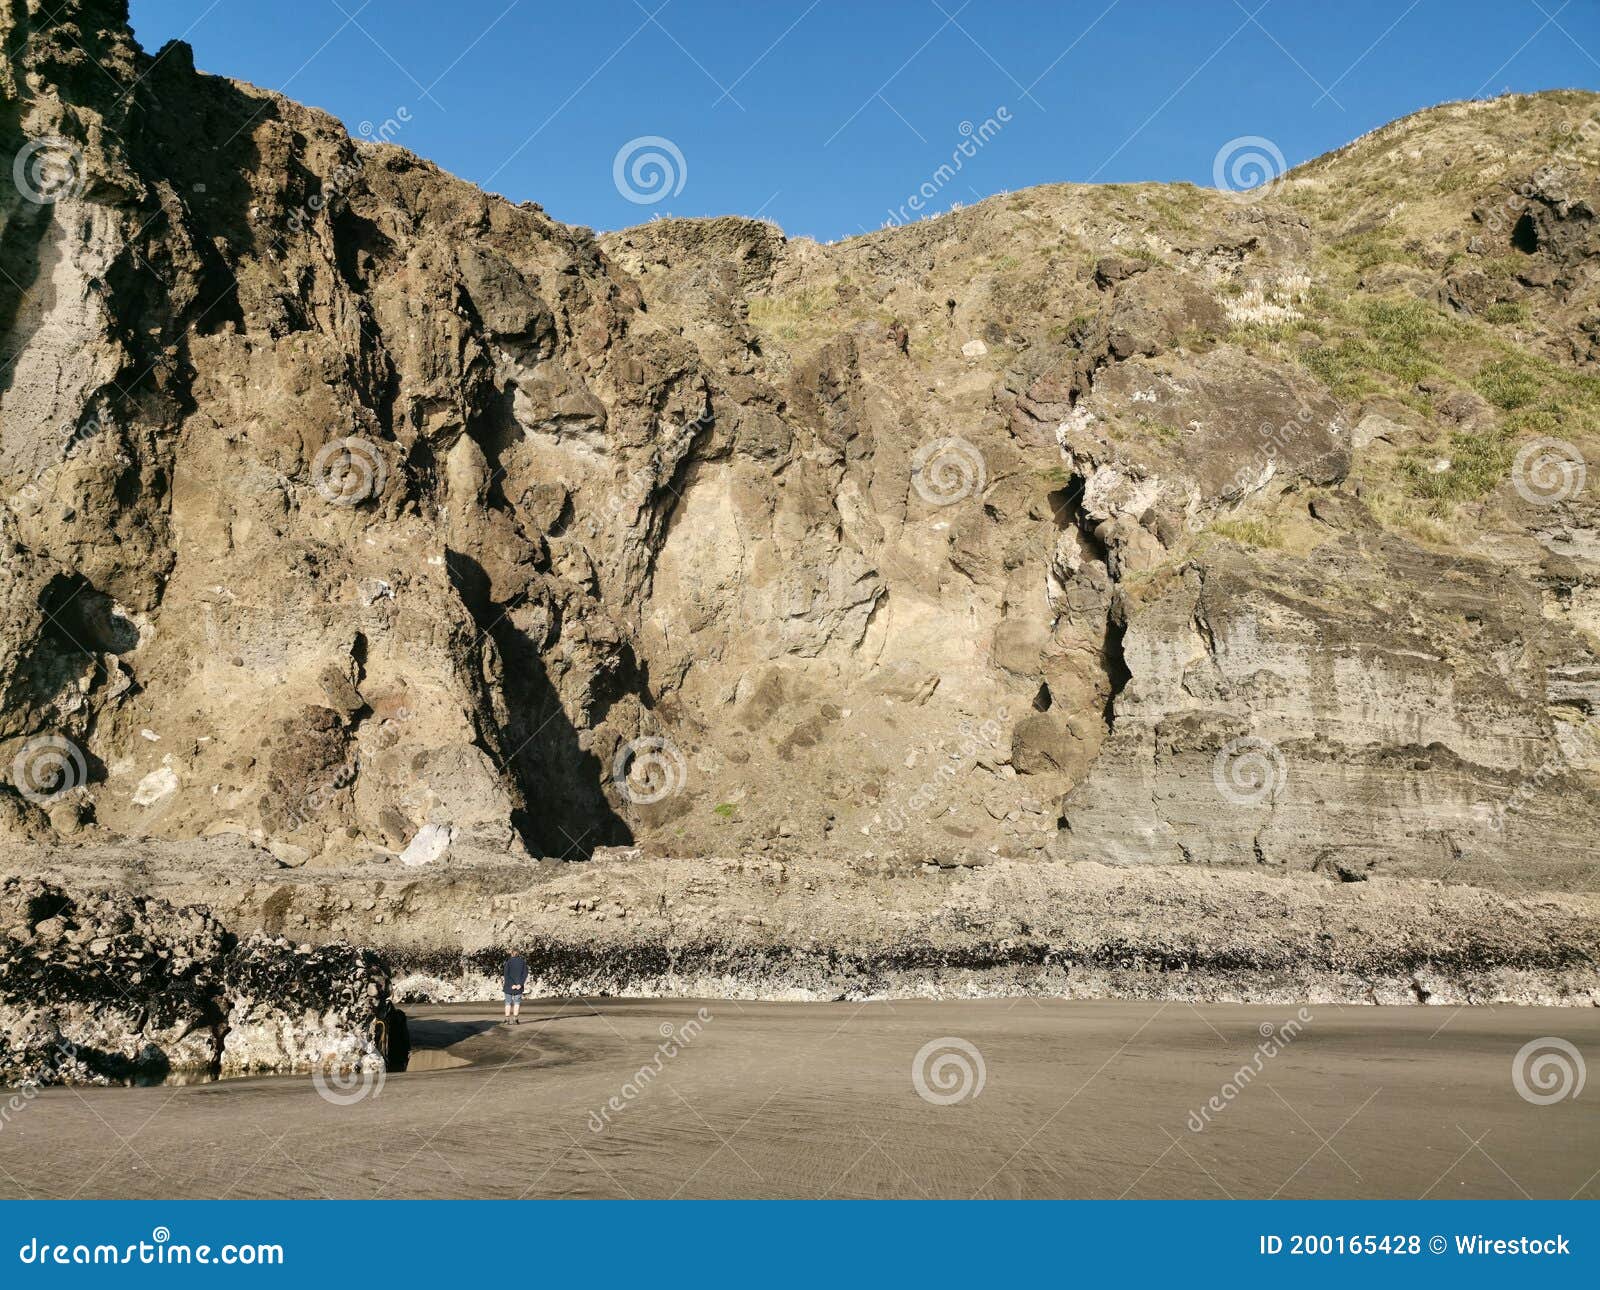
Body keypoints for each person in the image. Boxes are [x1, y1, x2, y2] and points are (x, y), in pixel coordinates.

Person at [502, 951, 528, 1024]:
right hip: (519, 986)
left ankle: (507, 1020)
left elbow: (506, 975)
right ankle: (515, 1019)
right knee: (517, 1002)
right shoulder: (523, 962)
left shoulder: (508, 962)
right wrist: (520, 984)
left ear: (511, 954)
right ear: (518, 954)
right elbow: (525, 974)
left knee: (508, 1002)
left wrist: (511, 984)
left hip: (509, 986)